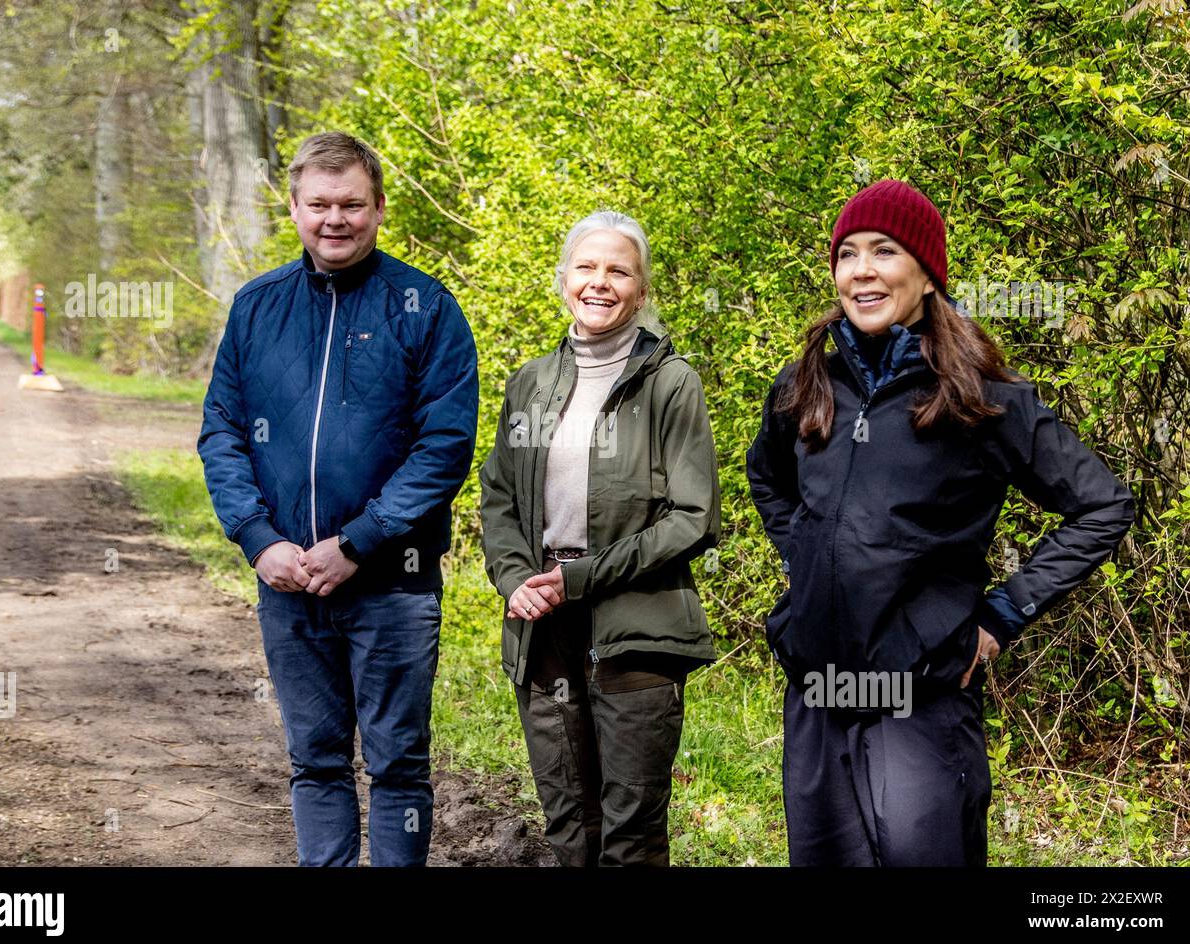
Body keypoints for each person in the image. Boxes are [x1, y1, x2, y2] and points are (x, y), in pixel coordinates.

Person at [746, 178, 1135, 867]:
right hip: (817, 694)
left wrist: (1004, 613)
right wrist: (805, 559)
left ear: (927, 273)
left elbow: (1101, 505)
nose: (861, 271)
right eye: (847, 254)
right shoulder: (806, 384)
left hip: (917, 700)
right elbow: (768, 479)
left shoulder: (981, 397)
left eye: (885, 251)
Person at [197, 131, 479, 866]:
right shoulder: (257, 308)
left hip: (393, 582)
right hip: (289, 583)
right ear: (293, 209)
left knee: (397, 766)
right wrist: (259, 539)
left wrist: (359, 541)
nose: (335, 219)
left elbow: (445, 447)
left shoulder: (425, 306)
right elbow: (221, 432)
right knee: (315, 761)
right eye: (319, 204)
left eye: (352, 204)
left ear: (379, 208)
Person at [479, 210, 721, 866]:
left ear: (641, 291)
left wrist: (581, 577)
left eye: (619, 270)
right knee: (568, 821)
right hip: (543, 625)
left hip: (638, 629)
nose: (600, 282)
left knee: (630, 829)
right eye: (586, 267)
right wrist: (512, 580)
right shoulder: (530, 383)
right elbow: (498, 499)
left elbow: (693, 517)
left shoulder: (672, 384)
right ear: (563, 280)